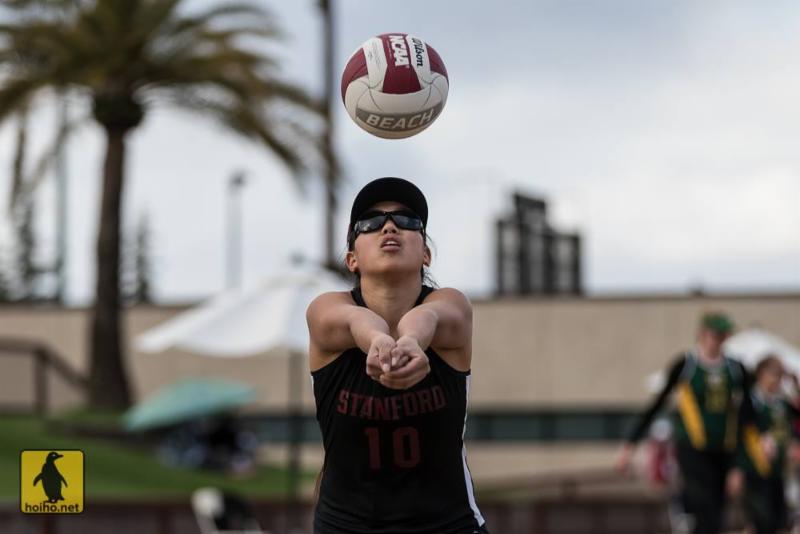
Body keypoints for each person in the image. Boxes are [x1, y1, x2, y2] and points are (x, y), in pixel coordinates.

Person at [306, 177, 489, 534]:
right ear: (352, 258)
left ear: (426, 253)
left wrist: (411, 342)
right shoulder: (327, 309)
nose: (389, 226)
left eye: (407, 221)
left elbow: (431, 317)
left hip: (449, 526)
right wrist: (376, 338)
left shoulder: (450, 304)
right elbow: (353, 319)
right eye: (370, 223)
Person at [617, 312, 752, 534]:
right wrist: (630, 445)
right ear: (702, 334)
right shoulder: (686, 365)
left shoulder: (736, 369)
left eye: (722, 336)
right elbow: (656, 405)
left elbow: (747, 415)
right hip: (692, 448)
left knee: (717, 513)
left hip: (724, 450)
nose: (717, 341)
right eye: (714, 335)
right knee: (702, 506)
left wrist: (739, 463)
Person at [728, 355, 800, 534]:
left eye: (781, 374)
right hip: (754, 469)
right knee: (760, 520)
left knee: (779, 522)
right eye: (774, 374)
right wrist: (735, 469)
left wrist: (795, 386)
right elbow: (737, 436)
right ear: (761, 374)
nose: (777, 379)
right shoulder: (750, 401)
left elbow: (794, 424)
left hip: (777, 471)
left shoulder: (781, 403)